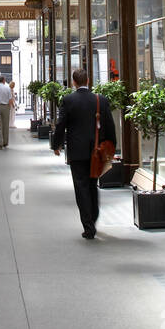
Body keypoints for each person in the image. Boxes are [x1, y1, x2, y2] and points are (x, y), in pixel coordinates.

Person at [51, 68, 116, 239]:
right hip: (96, 151)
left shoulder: (68, 100)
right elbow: (109, 125)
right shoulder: (100, 100)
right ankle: (93, 218)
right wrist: (111, 147)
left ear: (74, 82)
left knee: (81, 187)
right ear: (88, 81)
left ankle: (88, 226)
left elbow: (61, 125)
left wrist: (56, 145)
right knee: (93, 184)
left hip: (77, 151)